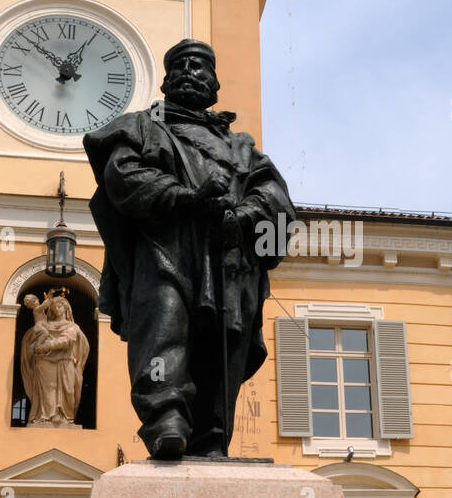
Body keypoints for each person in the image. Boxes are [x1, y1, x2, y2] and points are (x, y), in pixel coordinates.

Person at [83, 38, 293, 458]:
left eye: (199, 67)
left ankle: (212, 436)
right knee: (164, 325)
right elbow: (122, 178)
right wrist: (187, 197)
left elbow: (277, 199)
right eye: (179, 67)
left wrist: (246, 215)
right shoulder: (142, 126)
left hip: (229, 257)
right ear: (165, 81)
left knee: (222, 341)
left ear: (215, 84)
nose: (188, 73)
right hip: (166, 247)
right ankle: (165, 421)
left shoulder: (241, 148)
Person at [19, 293, 90, 428]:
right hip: (44, 361)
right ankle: (47, 416)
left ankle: (65, 417)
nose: (56, 309)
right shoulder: (45, 325)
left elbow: (68, 340)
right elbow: (32, 338)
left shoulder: (72, 327)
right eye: (53, 307)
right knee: (48, 389)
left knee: (68, 390)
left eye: (59, 306)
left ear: (66, 308)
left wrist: (47, 346)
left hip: (66, 360)